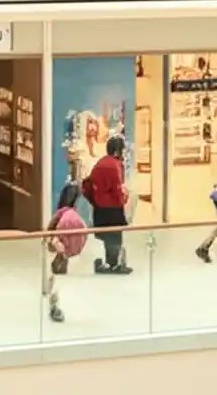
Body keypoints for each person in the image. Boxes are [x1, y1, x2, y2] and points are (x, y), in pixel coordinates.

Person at [83, 136, 132, 275]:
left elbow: (87, 184)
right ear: (118, 151)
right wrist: (123, 199)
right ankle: (114, 265)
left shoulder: (101, 162)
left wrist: (94, 200)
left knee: (107, 237)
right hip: (113, 208)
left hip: (100, 207)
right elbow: (117, 189)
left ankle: (110, 262)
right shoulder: (115, 165)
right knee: (115, 236)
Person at [44, 182, 87, 323]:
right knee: (58, 282)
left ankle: (54, 304)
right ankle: (56, 305)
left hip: (59, 254)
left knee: (55, 282)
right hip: (66, 254)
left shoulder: (61, 215)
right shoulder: (72, 217)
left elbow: (53, 238)